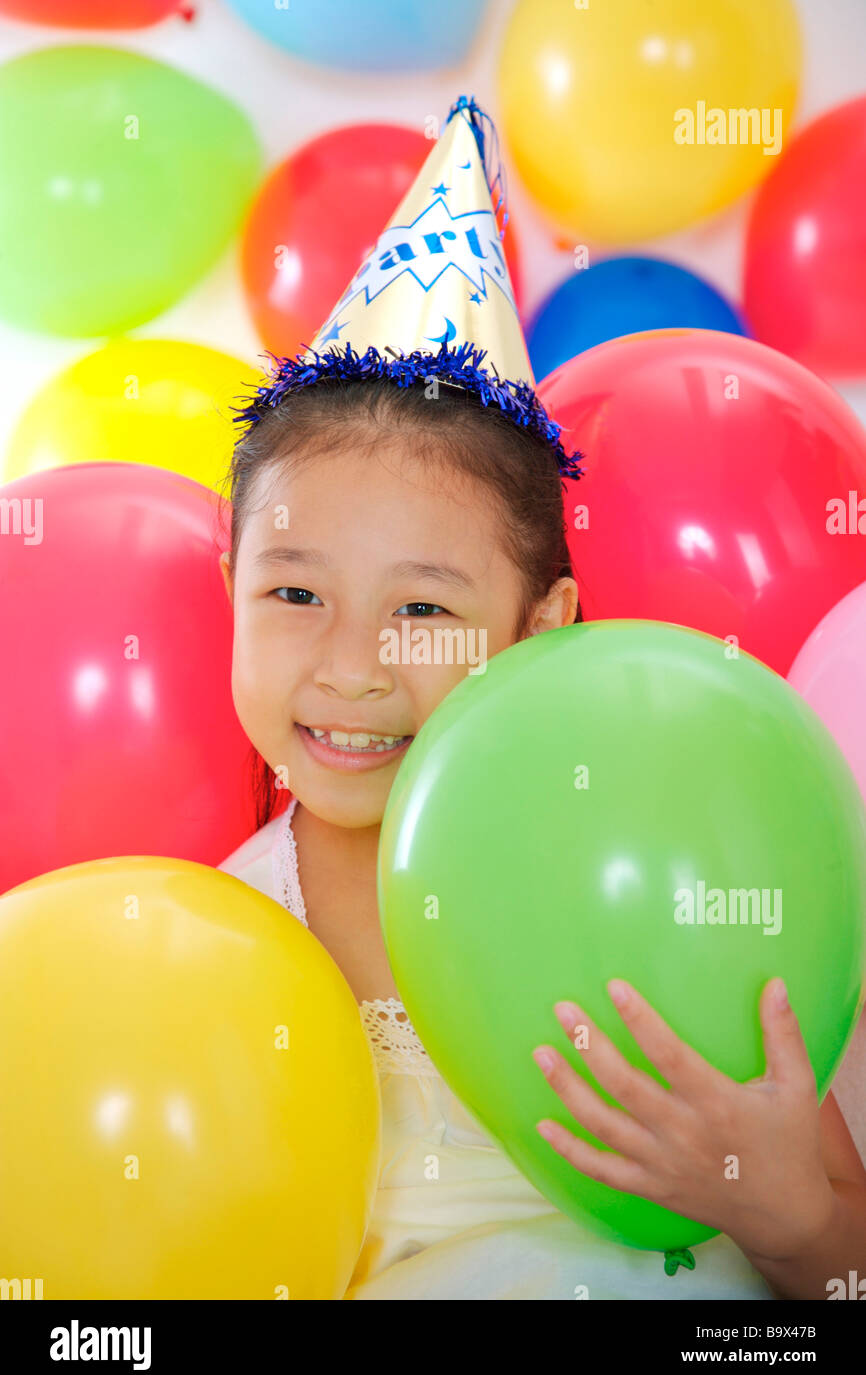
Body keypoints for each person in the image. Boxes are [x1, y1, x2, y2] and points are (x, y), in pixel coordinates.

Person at [217, 97, 866, 1299]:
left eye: (421, 610)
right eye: (294, 593)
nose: (352, 665)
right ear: (228, 588)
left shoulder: (645, 863)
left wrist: (784, 1218)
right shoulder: (207, 944)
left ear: (541, 628)